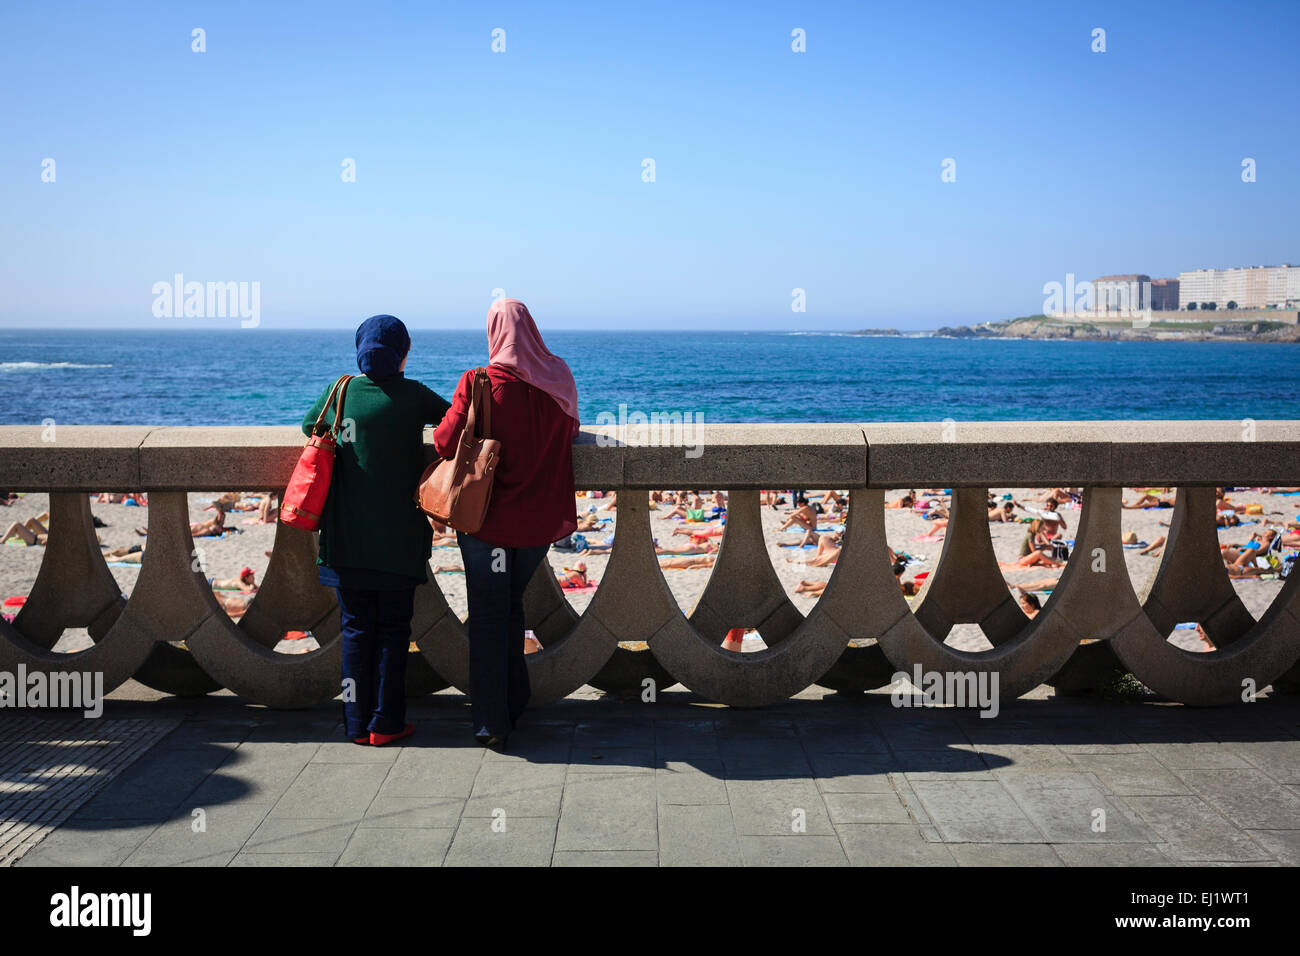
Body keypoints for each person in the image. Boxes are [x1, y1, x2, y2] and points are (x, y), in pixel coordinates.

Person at [433, 298, 579, 750]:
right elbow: (570, 434)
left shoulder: (478, 382)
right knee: (512, 606)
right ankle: (516, 699)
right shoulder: (559, 378)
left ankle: (491, 720)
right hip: (537, 524)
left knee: (489, 616)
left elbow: (443, 442)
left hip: (485, 523)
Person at [303, 315, 451, 747]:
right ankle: (385, 723)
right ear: (403, 353)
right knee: (393, 632)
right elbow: (453, 424)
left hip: (346, 538)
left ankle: (355, 723)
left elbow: (309, 427)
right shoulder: (413, 394)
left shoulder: (343, 391)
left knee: (355, 630)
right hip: (398, 539)